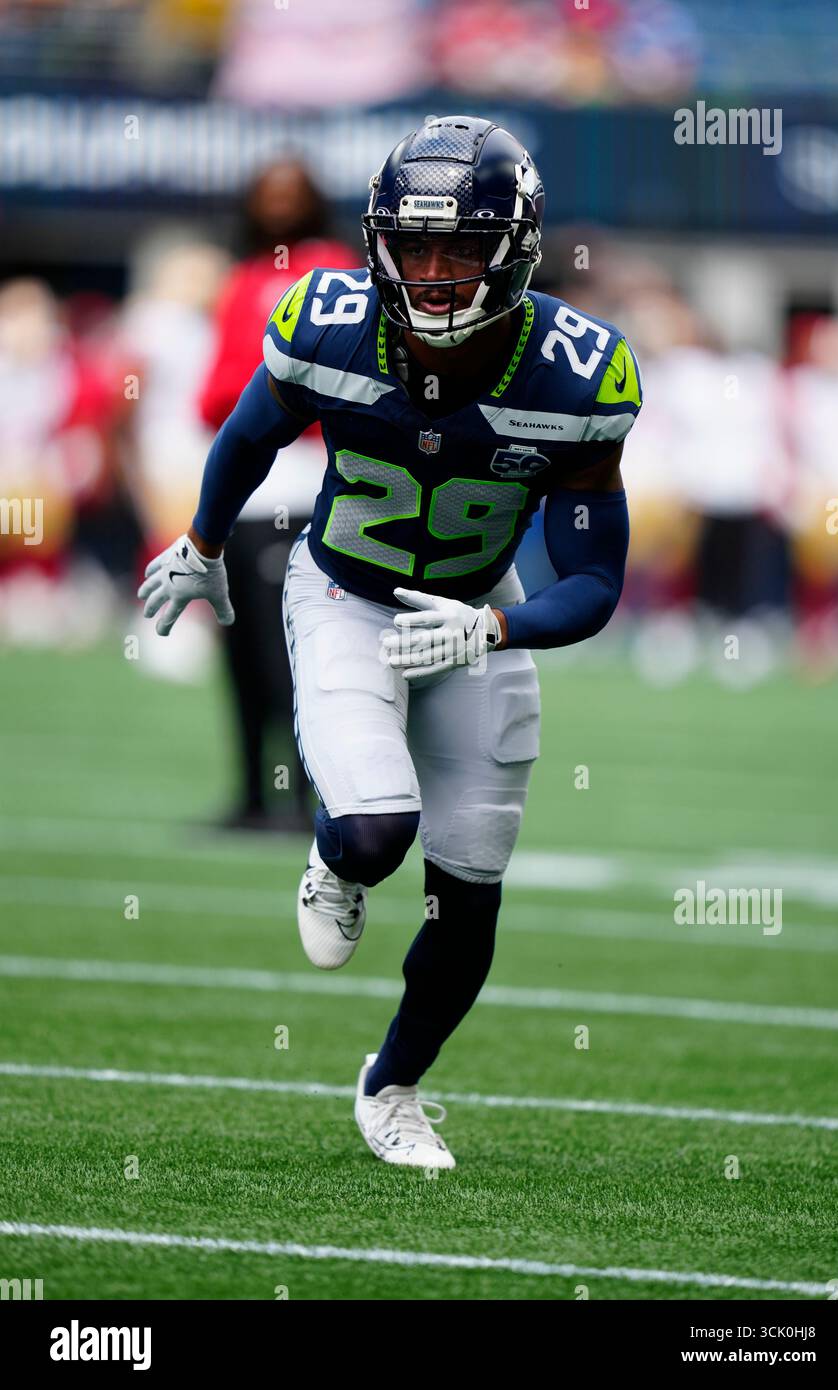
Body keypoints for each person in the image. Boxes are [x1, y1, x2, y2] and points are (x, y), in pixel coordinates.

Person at [138, 116, 641, 1169]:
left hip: (475, 608)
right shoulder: (324, 321)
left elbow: (595, 578)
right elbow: (246, 432)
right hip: (346, 595)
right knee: (372, 833)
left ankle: (392, 1086)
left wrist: (495, 625)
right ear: (376, 241)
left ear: (513, 248)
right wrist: (203, 543)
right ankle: (329, 862)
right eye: (415, 245)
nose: (435, 270)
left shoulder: (574, 374)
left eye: (463, 246)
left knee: (470, 878)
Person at [198, 159, 355, 831]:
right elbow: (213, 397)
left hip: (309, 487)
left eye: (293, 194)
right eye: (269, 194)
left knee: (291, 649)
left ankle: (303, 800)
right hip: (245, 493)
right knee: (237, 647)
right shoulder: (240, 280)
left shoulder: (338, 272)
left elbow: (341, 389)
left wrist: (268, 405)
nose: (280, 207)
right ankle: (251, 796)